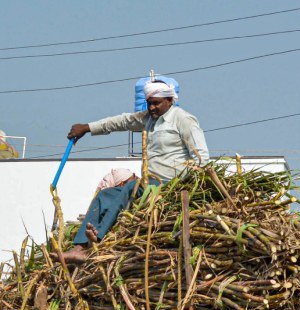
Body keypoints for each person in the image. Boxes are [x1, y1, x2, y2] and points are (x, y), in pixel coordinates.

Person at [59, 81, 209, 264]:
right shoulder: (148, 119)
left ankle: (97, 241)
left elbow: (202, 157)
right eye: (149, 103)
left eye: (156, 103)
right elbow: (120, 121)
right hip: (149, 184)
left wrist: (188, 184)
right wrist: (87, 128)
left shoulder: (183, 119)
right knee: (105, 195)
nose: (152, 107)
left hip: (172, 184)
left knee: (130, 188)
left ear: (170, 100)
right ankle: (79, 247)